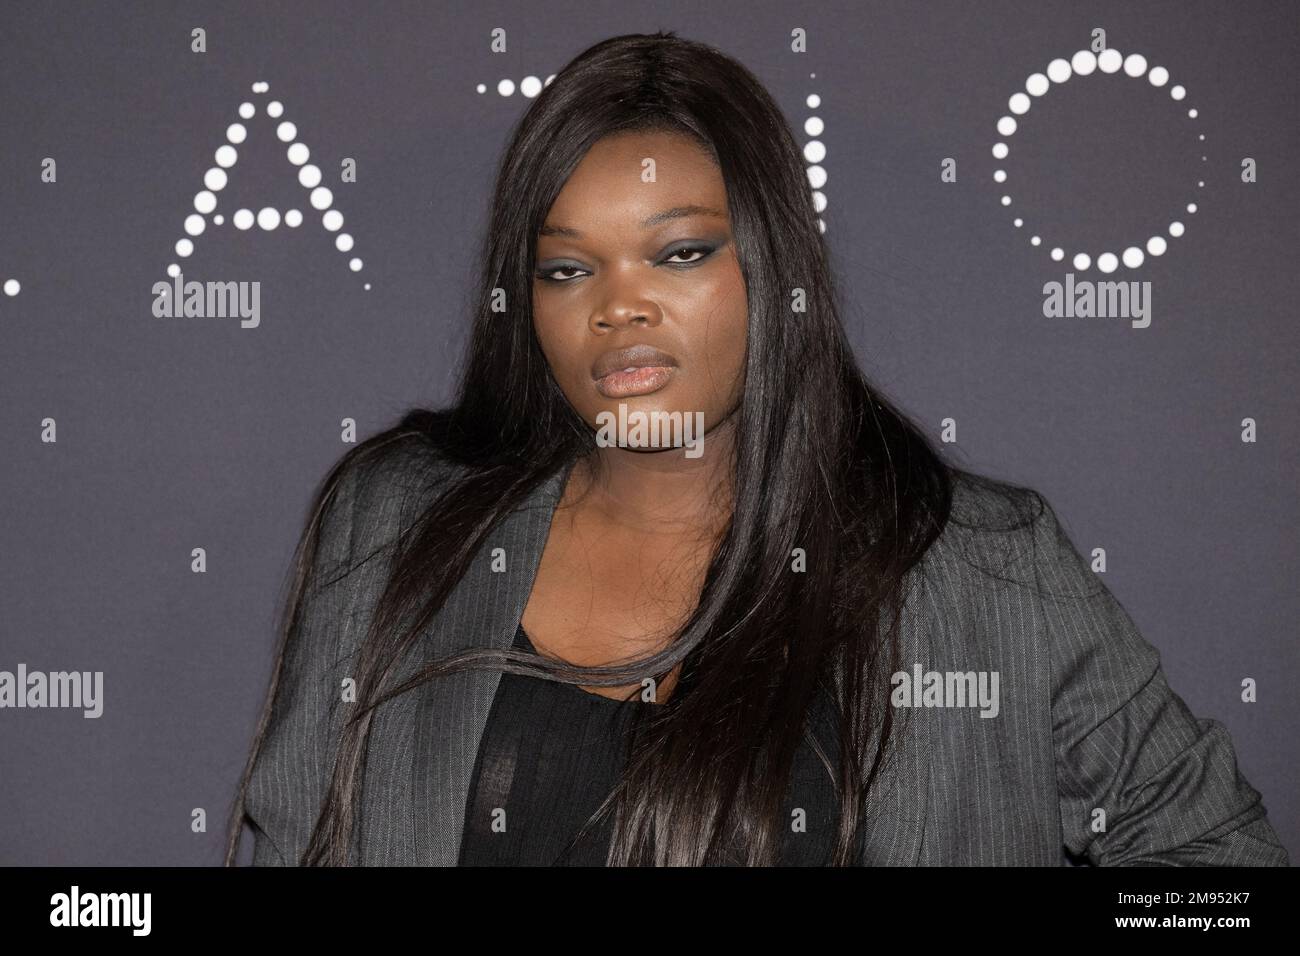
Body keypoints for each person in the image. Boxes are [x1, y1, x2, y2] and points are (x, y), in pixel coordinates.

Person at [224, 31, 1288, 867]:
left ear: (773, 266)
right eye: (566, 269)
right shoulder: (399, 523)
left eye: (678, 252)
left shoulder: (981, 565)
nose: (618, 309)